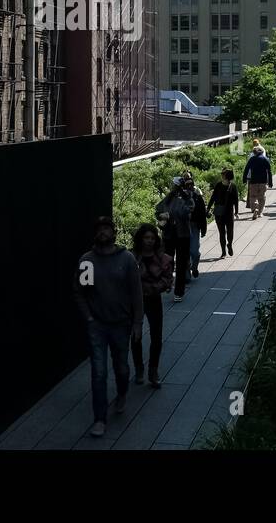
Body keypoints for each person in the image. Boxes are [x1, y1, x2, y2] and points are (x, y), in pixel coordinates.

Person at [74, 216, 143, 437]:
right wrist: (88, 317)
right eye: (99, 229)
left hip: (121, 323)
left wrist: (138, 323)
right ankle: (99, 418)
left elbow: (136, 293)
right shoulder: (88, 260)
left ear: (114, 233)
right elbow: (81, 291)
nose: (103, 232)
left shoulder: (127, 259)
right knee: (98, 372)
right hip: (98, 325)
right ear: (95, 234)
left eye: (107, 228)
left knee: (122, 367)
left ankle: (122, 393)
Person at [131, 223, 172, 389]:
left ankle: (153, 370)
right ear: (140, 239)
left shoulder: (163, 258)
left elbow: (167, 280)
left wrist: (151, 288)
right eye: (146, 237)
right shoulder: (132, 257)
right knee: (136, 335)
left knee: (157, 336)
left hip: (153, 299)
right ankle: (139, 368)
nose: (149, 241)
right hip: (135, 300)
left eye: (152, 238)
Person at [155, 177, 194, 302]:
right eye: (173, 185)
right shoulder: (169, 197)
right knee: (168, 261)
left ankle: (179, 291)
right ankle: (168, 282)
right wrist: (162, 215)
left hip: (183, 235)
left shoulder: (188, 198)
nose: (174, 187)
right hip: (169, 234)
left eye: (176, 185)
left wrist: (170, 214)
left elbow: (186, 212)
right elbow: (158, 208)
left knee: (182, 263)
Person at [183, 172, 208, 280]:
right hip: (182, 227)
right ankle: (187, 274)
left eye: (190, 185)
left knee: (194, 251)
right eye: (186, 185)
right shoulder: (180, 198)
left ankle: (194, 267)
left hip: (194, 226)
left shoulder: (198, 197)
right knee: (185, 252)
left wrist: (203, 229)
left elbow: (203, 214)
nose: (189, 187)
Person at [210, 168, 240, 257]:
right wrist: (208, 208)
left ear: (227, 176)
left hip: (229, 212)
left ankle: (229, 244)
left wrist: (236, 212)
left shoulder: (233, 186)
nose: (221, 175)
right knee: (222, 233)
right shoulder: (218, 185)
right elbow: (213, 197)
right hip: (219, 213)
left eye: (223, 174)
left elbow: (236, 200)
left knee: (230, 232)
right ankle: (223, 252)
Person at [243, 144, 273, 220]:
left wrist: (244, 179)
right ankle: (260, 212)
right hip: (263, 181)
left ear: (254, 152)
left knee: (252, 196)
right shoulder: (265, 159)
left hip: (253, 181)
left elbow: (246, 169)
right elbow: (269, 171)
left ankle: (255, 208)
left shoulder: (252, 159)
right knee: (262, 197)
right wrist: (270, 182)